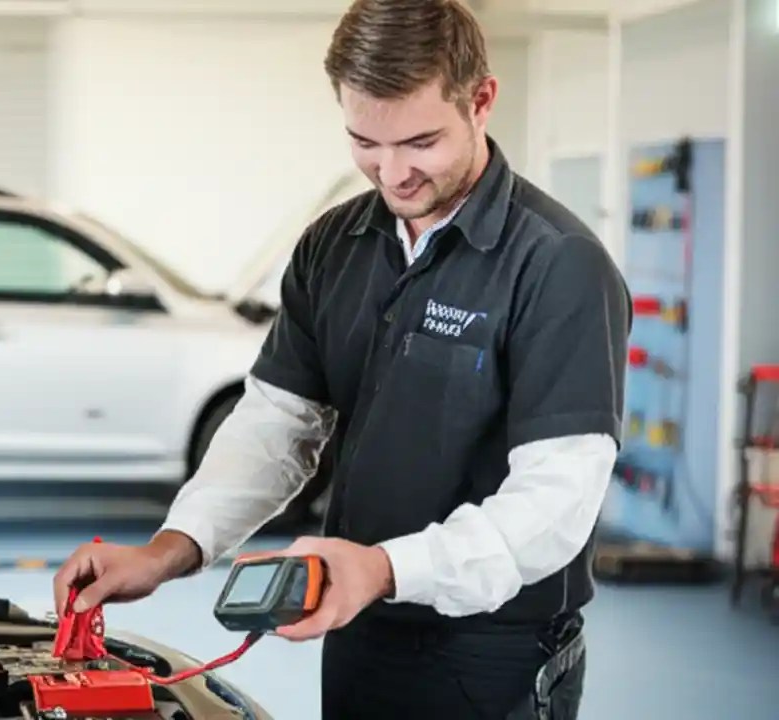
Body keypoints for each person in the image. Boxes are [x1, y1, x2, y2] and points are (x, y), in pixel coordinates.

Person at [52, 0, 631, 717]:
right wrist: (171, 548)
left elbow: (555, 503)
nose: (392, 174)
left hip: (493, 656)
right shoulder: (335, 244)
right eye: (365, 141)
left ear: (481, 100)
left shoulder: (559, 265)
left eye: (420, 142)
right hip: (358, 630)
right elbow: (275, 424)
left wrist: (387, 568)